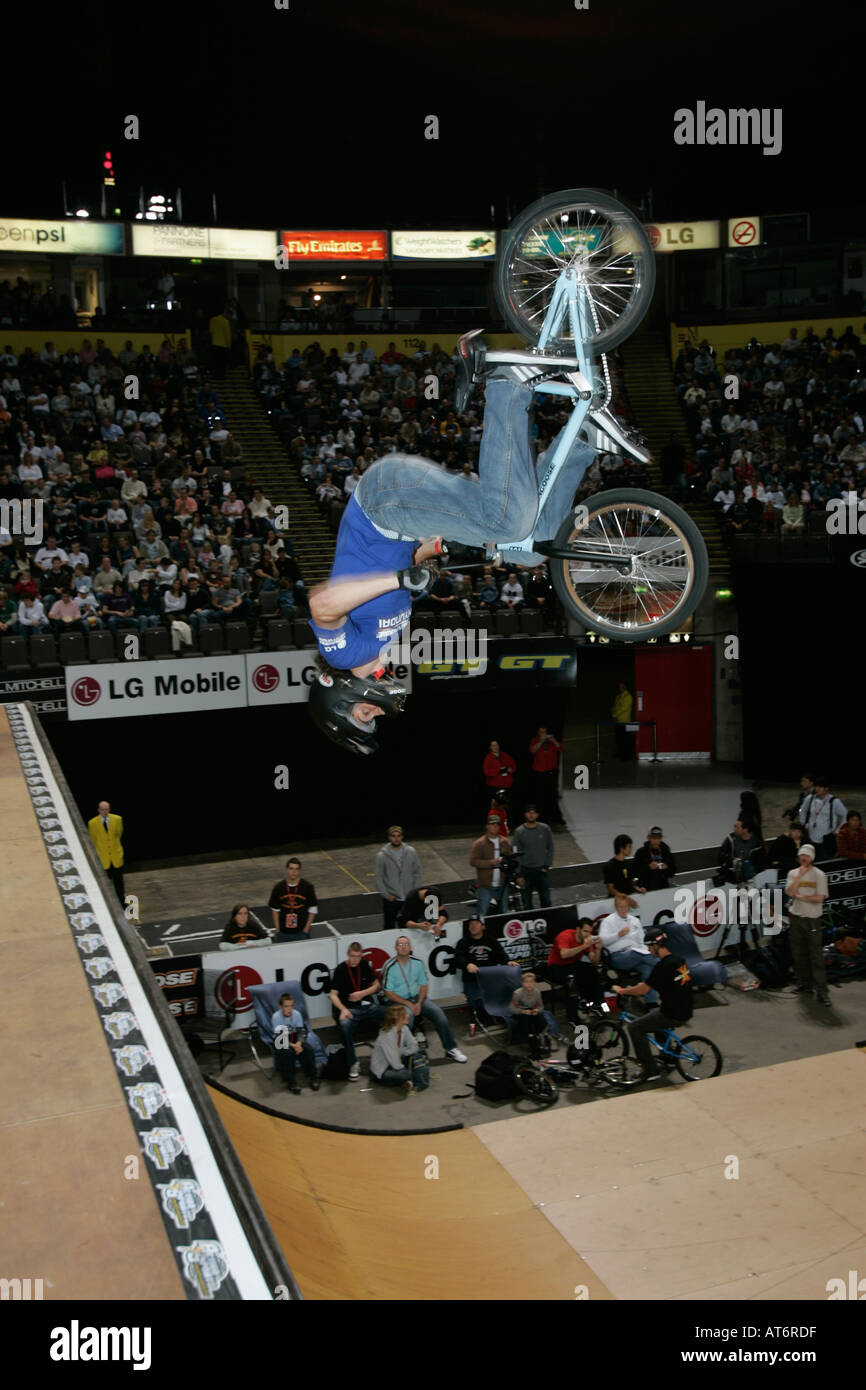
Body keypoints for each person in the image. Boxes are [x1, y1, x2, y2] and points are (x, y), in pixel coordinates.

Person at [306, 344, 592, 754]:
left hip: (384, 504)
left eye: (366, 714)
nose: (380, 710)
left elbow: (322, 604)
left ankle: (505, 383)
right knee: (527, 551)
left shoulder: (345, 653)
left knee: (505, 520)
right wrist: (437, 551)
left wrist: (399, 578)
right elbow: (397, 562)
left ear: (343, 697)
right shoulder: (381, 643)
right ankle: (582, 439)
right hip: (403, 526)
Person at [612, 927, 693, 1080]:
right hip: (686, 1009)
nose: (648, 950)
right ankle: (667, 1057)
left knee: (635, 1027)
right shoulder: (678, 960)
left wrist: (623, 990)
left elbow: (643, 990)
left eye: (649, 947)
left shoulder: (662, 966)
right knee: (654, 1016)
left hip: (672, 1013)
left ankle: (650, 1070)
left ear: (656, 946)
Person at [379, 936, 467, 1061]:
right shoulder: (390, 966)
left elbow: (424, 985)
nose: (403, 947)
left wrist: (419, 1002)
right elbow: (388, 992)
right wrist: (408, 1004)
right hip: (397, 1001)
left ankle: (451, 1049)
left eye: (406, 944)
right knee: (407, 1016)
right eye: (400, 944)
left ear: (410, 947)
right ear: (395, 948)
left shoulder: (418, 963)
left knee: (438, 1013)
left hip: (417, 998)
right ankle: (404, 1054)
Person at [328, 941, 386, 1080]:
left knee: (392, 1015)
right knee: (345, 1026)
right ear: (348, 955)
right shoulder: (341, 969)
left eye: (359, 956)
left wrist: (362, 993)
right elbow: (333, 995)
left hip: (366, 1005)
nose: (356, 959)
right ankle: (353, 1062)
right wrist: (343, 1009)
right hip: (349, 1009)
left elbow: (377, 986)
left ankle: (387, 1055)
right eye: (353, 956)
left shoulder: (364, 965)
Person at [784, 845, 830, 1005]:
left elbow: (820, 899)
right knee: (798, 953)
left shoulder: (819, 875)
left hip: (812, 919)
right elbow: (789, 892)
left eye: (807, 856)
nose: (804, 858)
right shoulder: (792, 873)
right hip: (796, 918)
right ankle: (805, 984)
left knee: (816, 956)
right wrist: (800, 876)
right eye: (802, 855)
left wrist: (800, 896)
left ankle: (822, 991)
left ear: (812, 858)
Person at [597, 894, 658, 1002]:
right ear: (616, 907)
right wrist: (618, 935)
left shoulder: (635, 920)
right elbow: (602, 941)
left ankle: (651, 1003)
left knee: (648, 970)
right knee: (640, 954)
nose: (624, 909)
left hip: (638, 954)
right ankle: (669, 966)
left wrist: (645, 949)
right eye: (621, 907)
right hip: (619, 956)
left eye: (626, 906)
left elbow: (642, 941)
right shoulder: (608, 921)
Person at [452, 915, 508, 1019]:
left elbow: (502, 956)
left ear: (483, 926)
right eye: (471, 924)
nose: (473, 926)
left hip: (490, 979)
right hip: (472, 980)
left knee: (503, 1000)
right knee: (479, 1005)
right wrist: (467, 964)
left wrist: (509, 962)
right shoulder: (463, 942)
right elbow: (457, 959)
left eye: (476, 924)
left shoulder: (492, 941)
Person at [545, 916, 605, 1005]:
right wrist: (583, 946)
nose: (587, 934)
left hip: (573, 964)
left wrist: (598, 950)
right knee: (571, 979)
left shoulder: (587, 939)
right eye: (585, 931)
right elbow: (564, 954)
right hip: (555, 966)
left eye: (590, 932)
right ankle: (573, 1016)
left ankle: (598, 1006)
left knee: (594, 973)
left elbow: (594, 961)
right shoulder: (565, 936)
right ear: (578, 929)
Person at [374, 825, 422, 932]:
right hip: (392, 899)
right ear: (389, 837)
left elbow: (417, 872)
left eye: (398, 836)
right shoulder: (382, 855)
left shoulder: (411, 852)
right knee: (389, 928)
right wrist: (386, 895)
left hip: (409, 898)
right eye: (393, 836)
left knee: (411, 927)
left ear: (402, 837)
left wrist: (416, 892)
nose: (396, 838)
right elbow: (378, 877)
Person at [271, 993, 320, 1094]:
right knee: (286, 1052)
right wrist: (294, 1046)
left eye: (291, 1006)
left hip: (294, 1037)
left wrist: (298, 1044)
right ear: (280, 1007)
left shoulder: (297, 1014)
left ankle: (313, 1076)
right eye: (286, 1006)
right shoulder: (276, 1017)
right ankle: (290, 1080)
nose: (289, 1009)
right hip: (281, 1038)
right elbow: (280, 1038)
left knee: (308, 1050)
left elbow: (301, 1032)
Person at [369, 1006, 422, 1090]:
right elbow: (396, 1065)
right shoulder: (387, 1036)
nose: (408, 1015)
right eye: (405, 1014)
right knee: (406, 1073)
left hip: (397, 1060)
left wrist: (405, 1053)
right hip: (384, 1070)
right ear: (399, 1019)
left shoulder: (404, 1028)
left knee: (421, 1053)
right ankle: (405, 1080)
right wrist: (410, 1068)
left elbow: (414, 1045)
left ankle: (405, 1081)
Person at [470, 815, 513, 917]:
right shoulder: (479, 843)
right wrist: (491, 863)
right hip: (486, 886)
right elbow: (473, 861)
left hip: (502, 884)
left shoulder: (505, 842)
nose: (495, 827)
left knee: (504, 913)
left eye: (497, 825)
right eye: (492, 824)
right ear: (487, 826)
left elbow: (511, 859)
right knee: (482, 914)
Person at [513, 803, 554, 909]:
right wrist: (518, 874)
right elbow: (516, 854)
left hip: (541, 871)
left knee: (546, 901)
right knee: (527, 903)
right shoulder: (519, 832)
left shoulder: (545, 829)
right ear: (525, 815)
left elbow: (551, 848)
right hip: (526, 872)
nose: (531, 815)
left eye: (534, 813)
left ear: (537, 815)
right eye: (529, 813)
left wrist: (547, 865)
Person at [268, 857, 318, 939]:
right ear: (286, 870)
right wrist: (278, 930)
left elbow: (313, 908)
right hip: (283, 933)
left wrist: (306, 929)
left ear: (299, 871)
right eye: (291, 868)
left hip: (302, 932)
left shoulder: (307, 887)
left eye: (296, 869)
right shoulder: (279, 887)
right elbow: (275, 910)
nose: (293, 872)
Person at [87, 799, 125, 905]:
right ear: (98, 810)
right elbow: (93, 840)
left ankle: (121, 902)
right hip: (103, 858)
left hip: (115, 856)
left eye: (107, 809)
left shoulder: (117, 819)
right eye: (103, 809)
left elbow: (119, 834)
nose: (105, 811)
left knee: (119, 882)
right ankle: (108, 904)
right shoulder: (92, 823)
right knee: (106, 883)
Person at [799, 779, 847, 859]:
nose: (817, 789)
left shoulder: (833, 801)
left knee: (825, 861)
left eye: (820, 787)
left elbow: (845, 815)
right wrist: (804, 824)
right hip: (811, 837)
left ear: (826, 788)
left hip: (826, 839)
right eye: (816, 786)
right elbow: (803, 811)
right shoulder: (810, 798)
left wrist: (837, 831)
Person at [509, 970, 559, 1045]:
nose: (529, 984)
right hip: (521, 1011)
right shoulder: (517, 993)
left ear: (534, 983)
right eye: (526, 982)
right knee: (525, 1017)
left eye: (531, 982)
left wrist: (537, 1010)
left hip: (532, 1010)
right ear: (522, 983)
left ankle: (543, 1034)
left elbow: (541, 1006)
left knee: (540, 1015)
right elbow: (512, 1009)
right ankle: (529, 1037)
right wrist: (523, 1011)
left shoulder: (537, 992)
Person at [529, 726, 563, 825]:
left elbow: (560, 748)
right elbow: (532, 751)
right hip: (539, 773)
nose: (543, 734)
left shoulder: (551, 741)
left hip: (551, 773)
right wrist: (540, 742)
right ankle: (541, 818)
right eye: (541, 732)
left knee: (553, 796)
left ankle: (555, 818)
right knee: (540, 797)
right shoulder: (535, 740)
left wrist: (554, 740)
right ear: (538, 733)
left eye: (545, 732)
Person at [717, 818, 762, 885]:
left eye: (737, 827)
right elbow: (720, 857)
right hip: (732, 878)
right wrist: (733, 861)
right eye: (734, 826)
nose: (734, 829)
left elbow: (761, 861)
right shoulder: (730, 839)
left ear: (745, 829)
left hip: (752, 878)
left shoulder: (756, 841)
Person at [604, 835, 646, 900]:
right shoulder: (610, 866)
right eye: (629, 847)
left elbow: (632, 883)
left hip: (629, 899)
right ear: (621, 848)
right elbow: (611, 889)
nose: (631, 849)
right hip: (616, 902)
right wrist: (625, 898)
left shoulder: (629, 864)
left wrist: (638, 889)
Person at [610, 681, 634, 760]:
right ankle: (619, 753)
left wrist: (615, 715)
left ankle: (626, 756)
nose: (620, 688)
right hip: (617, 721)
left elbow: (624, 708)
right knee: (618, 739)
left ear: (625, 687)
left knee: (625, 740)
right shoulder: (618, 696)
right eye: (619, 686)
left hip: (625, 721)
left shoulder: (628, 697)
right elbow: (615, 706)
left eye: (621, 686)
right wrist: (613, 713)